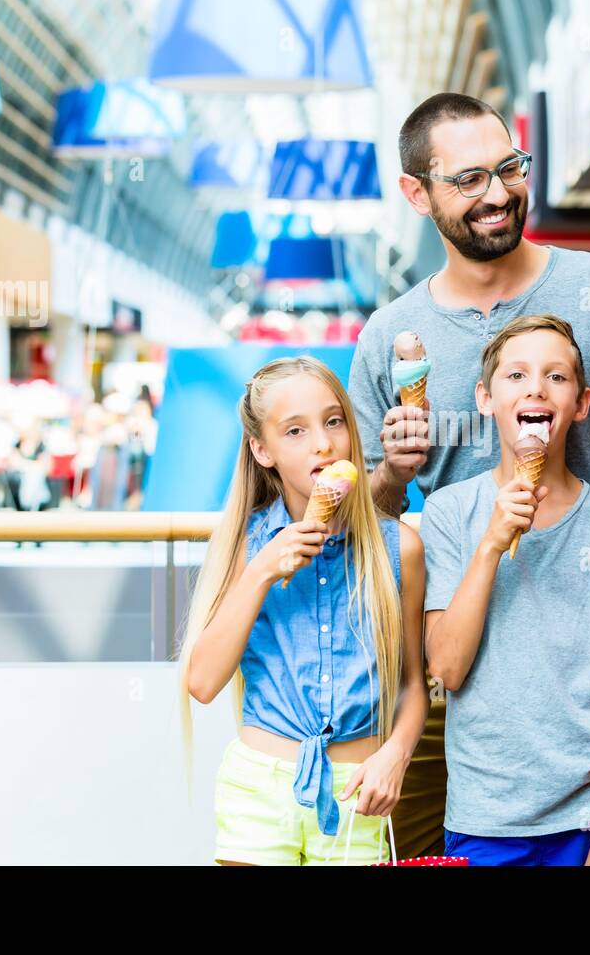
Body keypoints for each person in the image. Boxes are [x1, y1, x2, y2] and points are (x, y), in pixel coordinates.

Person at [347, 91, 590, 857]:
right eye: (469, 179)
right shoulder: (390, 337)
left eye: (510, 169)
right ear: (417, 193)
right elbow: (363, 519)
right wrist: (391, 473)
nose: (498, 194)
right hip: (457, 686)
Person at [421, 315, 590, 865]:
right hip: (484, 817)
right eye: (516, 375)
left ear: (581, 403)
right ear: (484, 398)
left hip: (588, 820)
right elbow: (447, 668)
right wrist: (491, 546)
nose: (535, 388)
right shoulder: (450, 513)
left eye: (556, 377)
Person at [180, 357, 428, 865]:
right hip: (259, 789)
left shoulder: (397, 550)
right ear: (261, 450)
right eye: (295, 430)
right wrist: (262, 571)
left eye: (333, 421)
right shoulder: (245, 547)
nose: (323, 442)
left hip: (356, 792)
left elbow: (411, 685)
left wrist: (395, 756)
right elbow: (203, 683)